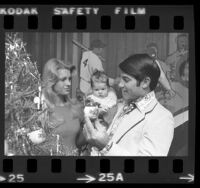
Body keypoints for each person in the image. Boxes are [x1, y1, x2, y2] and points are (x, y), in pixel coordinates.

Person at [82, 54, 174, 156]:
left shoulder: (162, 118)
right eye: (120, 79)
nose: (120, 84)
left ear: (145, 82)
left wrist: (106, 147)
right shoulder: (120, 104)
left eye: (126, 80)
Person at [39, 58, 84, 156]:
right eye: (63, 79)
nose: (69, 83)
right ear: (52, 81)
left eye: (69, 79)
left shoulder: (74, 106)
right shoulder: (42, 108)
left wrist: (90, 127)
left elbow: (77, 143)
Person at [78, 70, 118, 155]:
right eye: (96, 89)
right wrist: (98, 111)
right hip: (94, 127)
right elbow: (88, 113)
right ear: (92, 89)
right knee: (92, 148)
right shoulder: (91, 99)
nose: (100, 92)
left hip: (108, 130)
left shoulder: (111, 98)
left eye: (103, 89)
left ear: (108, 87)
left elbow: (114, 109)